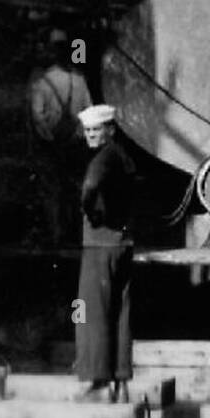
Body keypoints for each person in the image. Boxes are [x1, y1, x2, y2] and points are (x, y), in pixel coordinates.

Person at [75, 104, 137, 402]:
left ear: (110, 130)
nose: (90, 135)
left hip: (99, 244)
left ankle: (99, 383)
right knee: (120, 314)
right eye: (87, 131)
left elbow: (90, 186)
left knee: (90, 313)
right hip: (123, 244)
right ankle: (121, 384)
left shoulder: (102, 158)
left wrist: (91, 212)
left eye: (96, 130)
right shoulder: (124, 157)